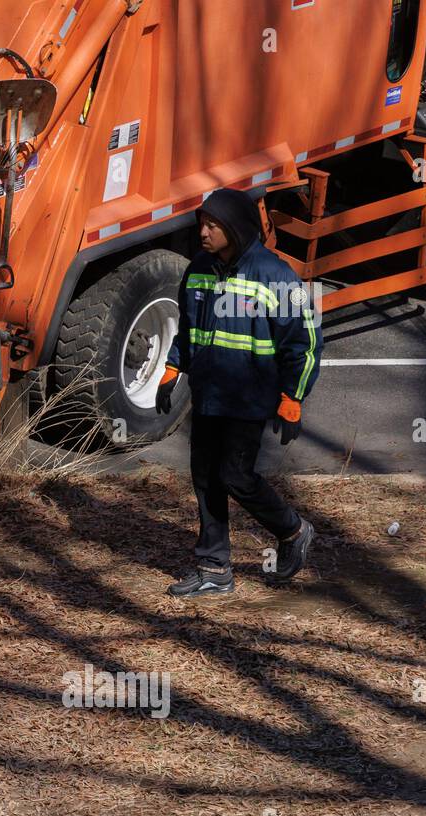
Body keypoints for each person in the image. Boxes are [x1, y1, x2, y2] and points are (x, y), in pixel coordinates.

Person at [155, 188, 323, 597]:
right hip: (209, 395)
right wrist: (173, 366)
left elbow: (305, 342)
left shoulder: (274, 275)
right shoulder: (198, 269)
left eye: (213, 225)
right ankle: (214, 568)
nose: (204, 232)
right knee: (206, 477)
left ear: (235, 227)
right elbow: (188, 327)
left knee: (234, 476)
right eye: (202, 223)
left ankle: (294, 530)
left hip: (250, 398)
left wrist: (292, 398)